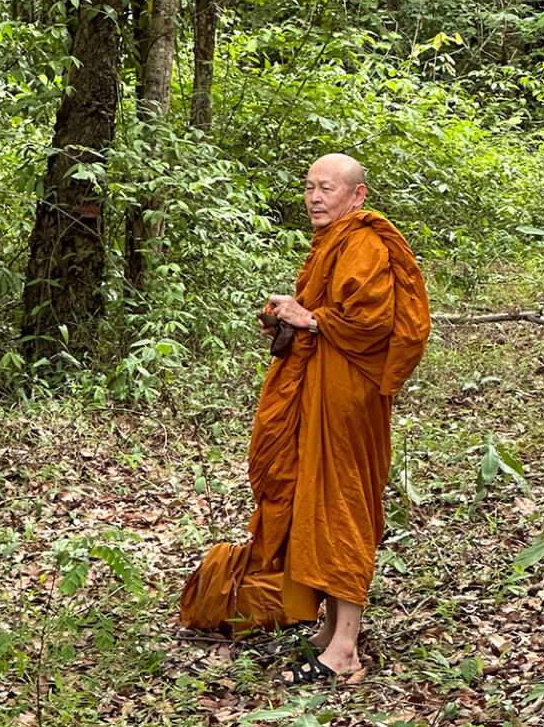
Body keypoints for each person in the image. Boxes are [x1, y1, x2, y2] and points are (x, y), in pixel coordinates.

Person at [179, 153, 431, 684]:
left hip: (348, 399)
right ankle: (331, 631)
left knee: (341, 506)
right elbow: (330, 315)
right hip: (320, 388)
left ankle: (345, 651)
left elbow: (373, 323)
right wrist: (290, 322)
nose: (315, 197)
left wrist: (310, 318)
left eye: (327, 188)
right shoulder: (330, 241)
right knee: (312, 501)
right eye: (310, 187)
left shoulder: (364, 242)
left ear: (357, 196)